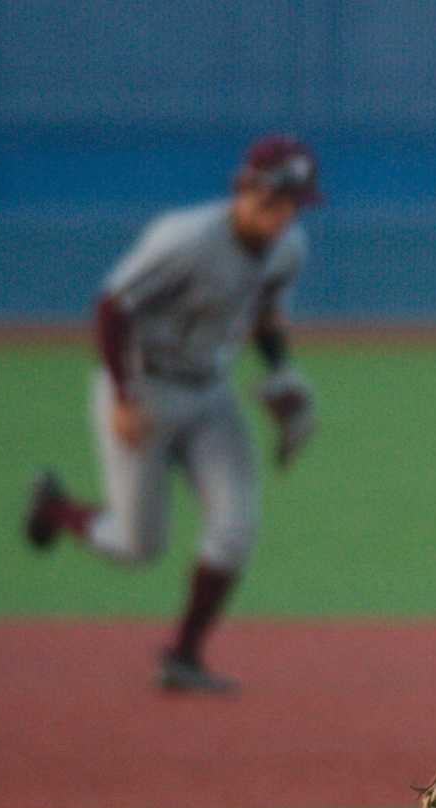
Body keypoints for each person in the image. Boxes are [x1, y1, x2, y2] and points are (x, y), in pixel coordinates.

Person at [21, 135, 321, 694]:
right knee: (137, 545)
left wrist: (282, 379)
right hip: (146, 390)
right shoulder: (187, 239)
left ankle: (183, 655)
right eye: (273, 200)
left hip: (211, 393)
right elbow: (113, 306)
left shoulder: (287, 248)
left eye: (293, 203)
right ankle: (55, 508)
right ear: (244, 188)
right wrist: (122, 395)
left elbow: (264, 314)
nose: (282, 215)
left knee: (235, 527)